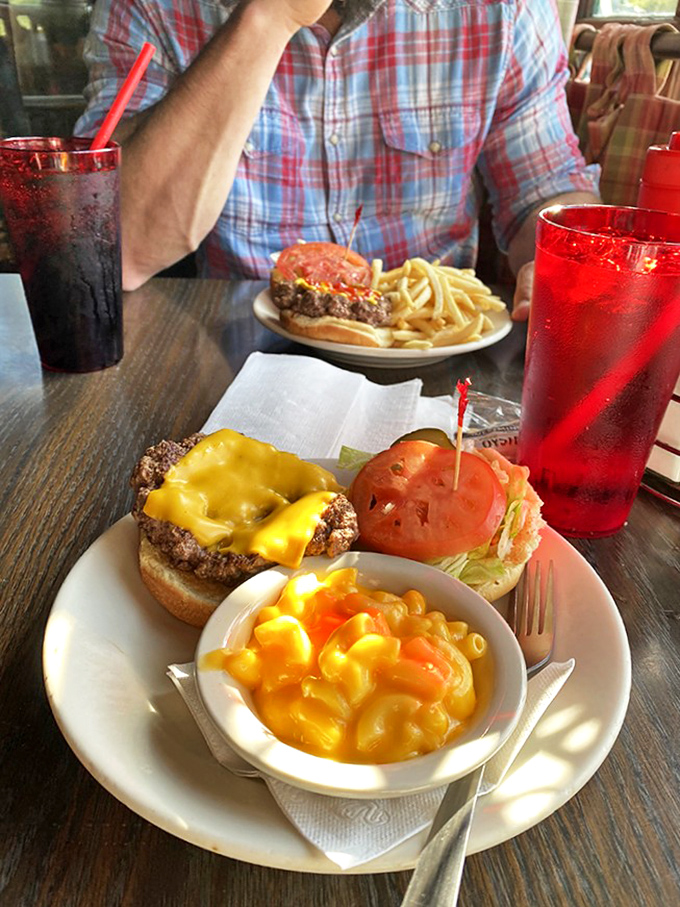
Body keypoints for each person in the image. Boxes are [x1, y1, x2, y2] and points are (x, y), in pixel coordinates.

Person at [75, 0, 600, 319]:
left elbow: (546, 188)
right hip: (232, 348)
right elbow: (120, 250)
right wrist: (269, 17)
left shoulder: (502, 10)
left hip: (432, 355)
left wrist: (574, 267)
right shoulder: (149, 9)